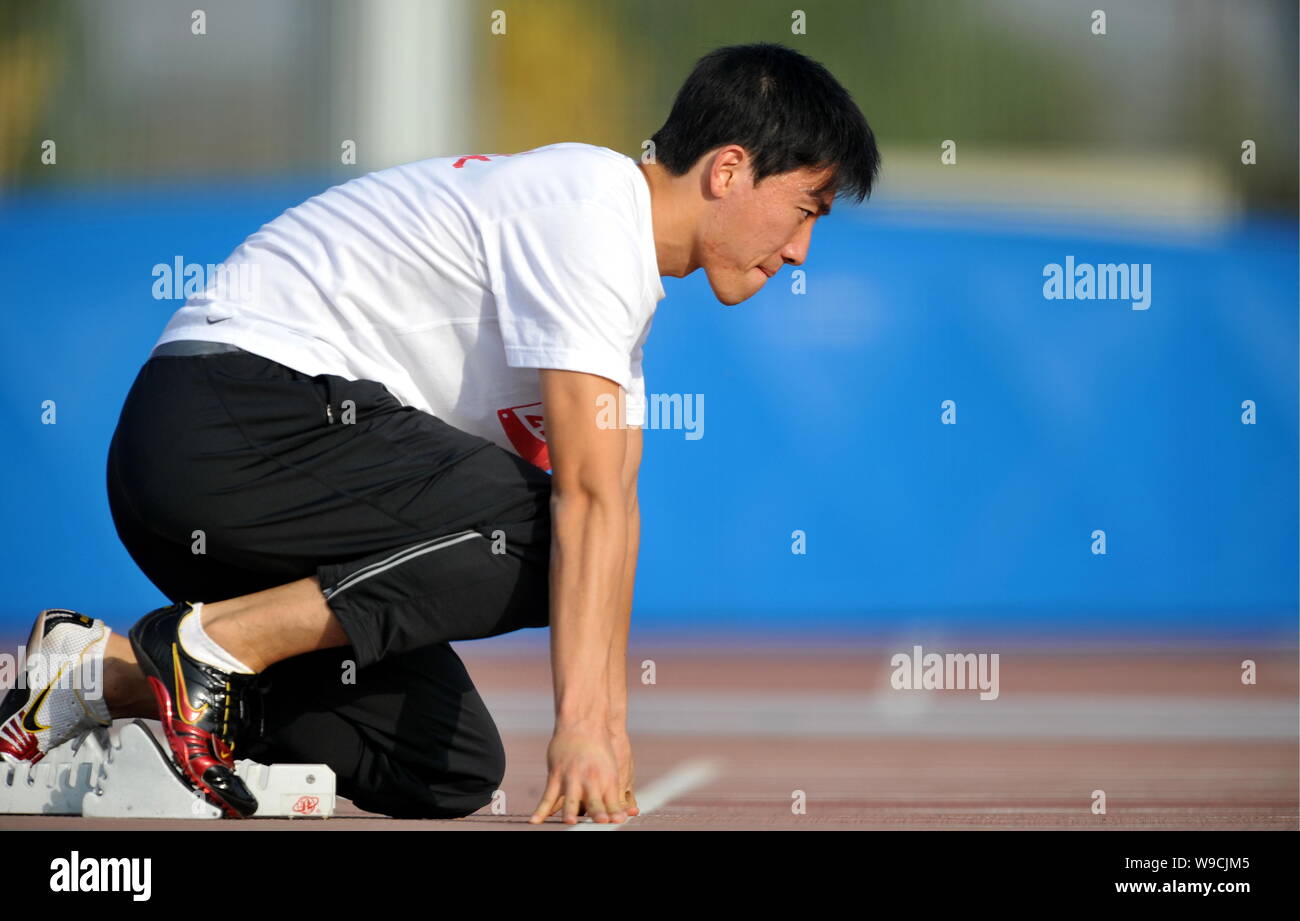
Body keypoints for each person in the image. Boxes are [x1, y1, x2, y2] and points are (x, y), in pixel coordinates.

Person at [0, 41, 879, 824]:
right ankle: (215, 644)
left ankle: (100, 673)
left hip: (245, 487)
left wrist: (604, 736)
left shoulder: (618, 300)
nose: (801, 250)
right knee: (551, 531)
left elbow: (615, 522)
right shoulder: (590, 210)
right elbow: (587, 503)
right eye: (807, 208)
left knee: (447, 765)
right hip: (221, 419)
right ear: (729, 170)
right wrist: (580, 726)